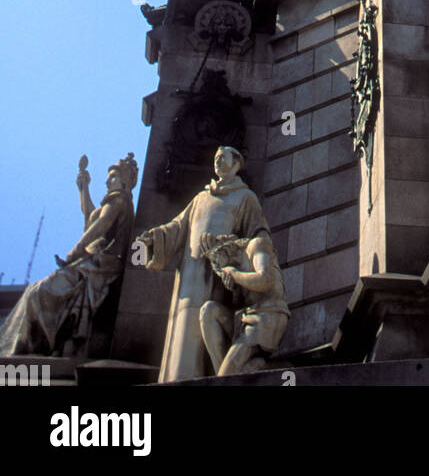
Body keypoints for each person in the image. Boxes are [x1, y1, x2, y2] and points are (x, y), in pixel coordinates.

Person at [138, 145, 270, 382]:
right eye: (216, 158)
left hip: (220, 276)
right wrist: (155, 237)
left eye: (223, 157)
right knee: (182, 330)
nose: (218, 161)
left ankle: (212, 376)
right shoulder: (201, 197)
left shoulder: (245, 197)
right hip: (189, 274)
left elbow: (258, 236)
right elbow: (178, 227)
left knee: (207, 323)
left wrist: (231, 250)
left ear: (237, 162)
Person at [0, 153, 137, 357]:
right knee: (36, 292)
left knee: (40, 292)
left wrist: (74, 252)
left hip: (97, 267)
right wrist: (84, 187)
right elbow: (91, 215)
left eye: (114, 177)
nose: (108, 181)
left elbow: (99, 226)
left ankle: (33, 346)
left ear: (126, 181)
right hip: (89, 264)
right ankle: (35, 346)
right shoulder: (114, 202)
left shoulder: (119, 200)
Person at [198, 232, 289, 375]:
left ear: (226, 249)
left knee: (225, 374)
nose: (219, 267)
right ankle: (230, 375)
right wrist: (234, 288)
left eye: (217, 260)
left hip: (268, 317)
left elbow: (266, 279)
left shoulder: (257, 245)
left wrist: (234, 274)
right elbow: (240, 304)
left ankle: (226, 377)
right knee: (208, 311)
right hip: (245, 321)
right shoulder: (235, 269)